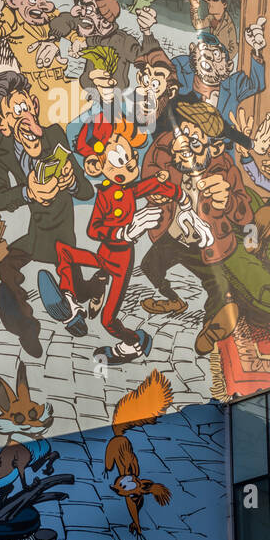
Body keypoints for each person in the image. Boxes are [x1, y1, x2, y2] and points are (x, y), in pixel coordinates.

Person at [139, 101, 270, 354]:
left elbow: (244, 211)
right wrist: (156, 186)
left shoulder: (225, 169)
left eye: (195, 143)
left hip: (207, 243)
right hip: (175, 235)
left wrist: (227, 201)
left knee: (218, 289)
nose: (185, 149)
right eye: (181, 138)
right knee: (149, 266)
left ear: (214, 147)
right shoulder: (168, 151)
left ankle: (211, 326)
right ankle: (174, 301)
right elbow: (151, 167)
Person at [38, 115, 176, 364]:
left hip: (121, 263)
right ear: (96, 166)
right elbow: (94, 230)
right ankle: (70, 299)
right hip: (104, 255)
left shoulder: (128, 190)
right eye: (119, 160)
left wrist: (174, 190)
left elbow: (150, 187)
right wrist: (122, 232)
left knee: (108, 320)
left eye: (130, 157)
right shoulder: (105, 194)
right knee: (64, 251)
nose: (130, 163)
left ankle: (134, 342)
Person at [0, 71, 93, 358]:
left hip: (61, 234)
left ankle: (76, 313)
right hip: (35, 233)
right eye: (14, 113)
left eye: (26, 108)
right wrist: (27, 193)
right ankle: (27, 330)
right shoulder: (1, 145)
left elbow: (85, 192)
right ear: (0, 122)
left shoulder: (54, 135)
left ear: (34, 104)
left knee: (75, 284)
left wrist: (69, 182)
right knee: (5, 269)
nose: (24, 118)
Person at [171, 24, 267, 138]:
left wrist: (256, 50)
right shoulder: (182, 70)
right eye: (203, 50)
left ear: (229, 66)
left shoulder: (233, 85)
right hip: (185, 145)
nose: (208, 56)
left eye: (216, 54)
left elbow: (256, 85)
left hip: (221, 149)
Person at [189, 0, 238, 64]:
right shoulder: (211, 18)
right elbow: (197, 24)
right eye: (208, 1)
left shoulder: (228, 23)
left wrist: (223, 61)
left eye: (214, 0)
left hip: (221, 62)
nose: (210, 4)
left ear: (224, 4)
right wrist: (194, 8)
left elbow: (234, 47)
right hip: (210, 58)